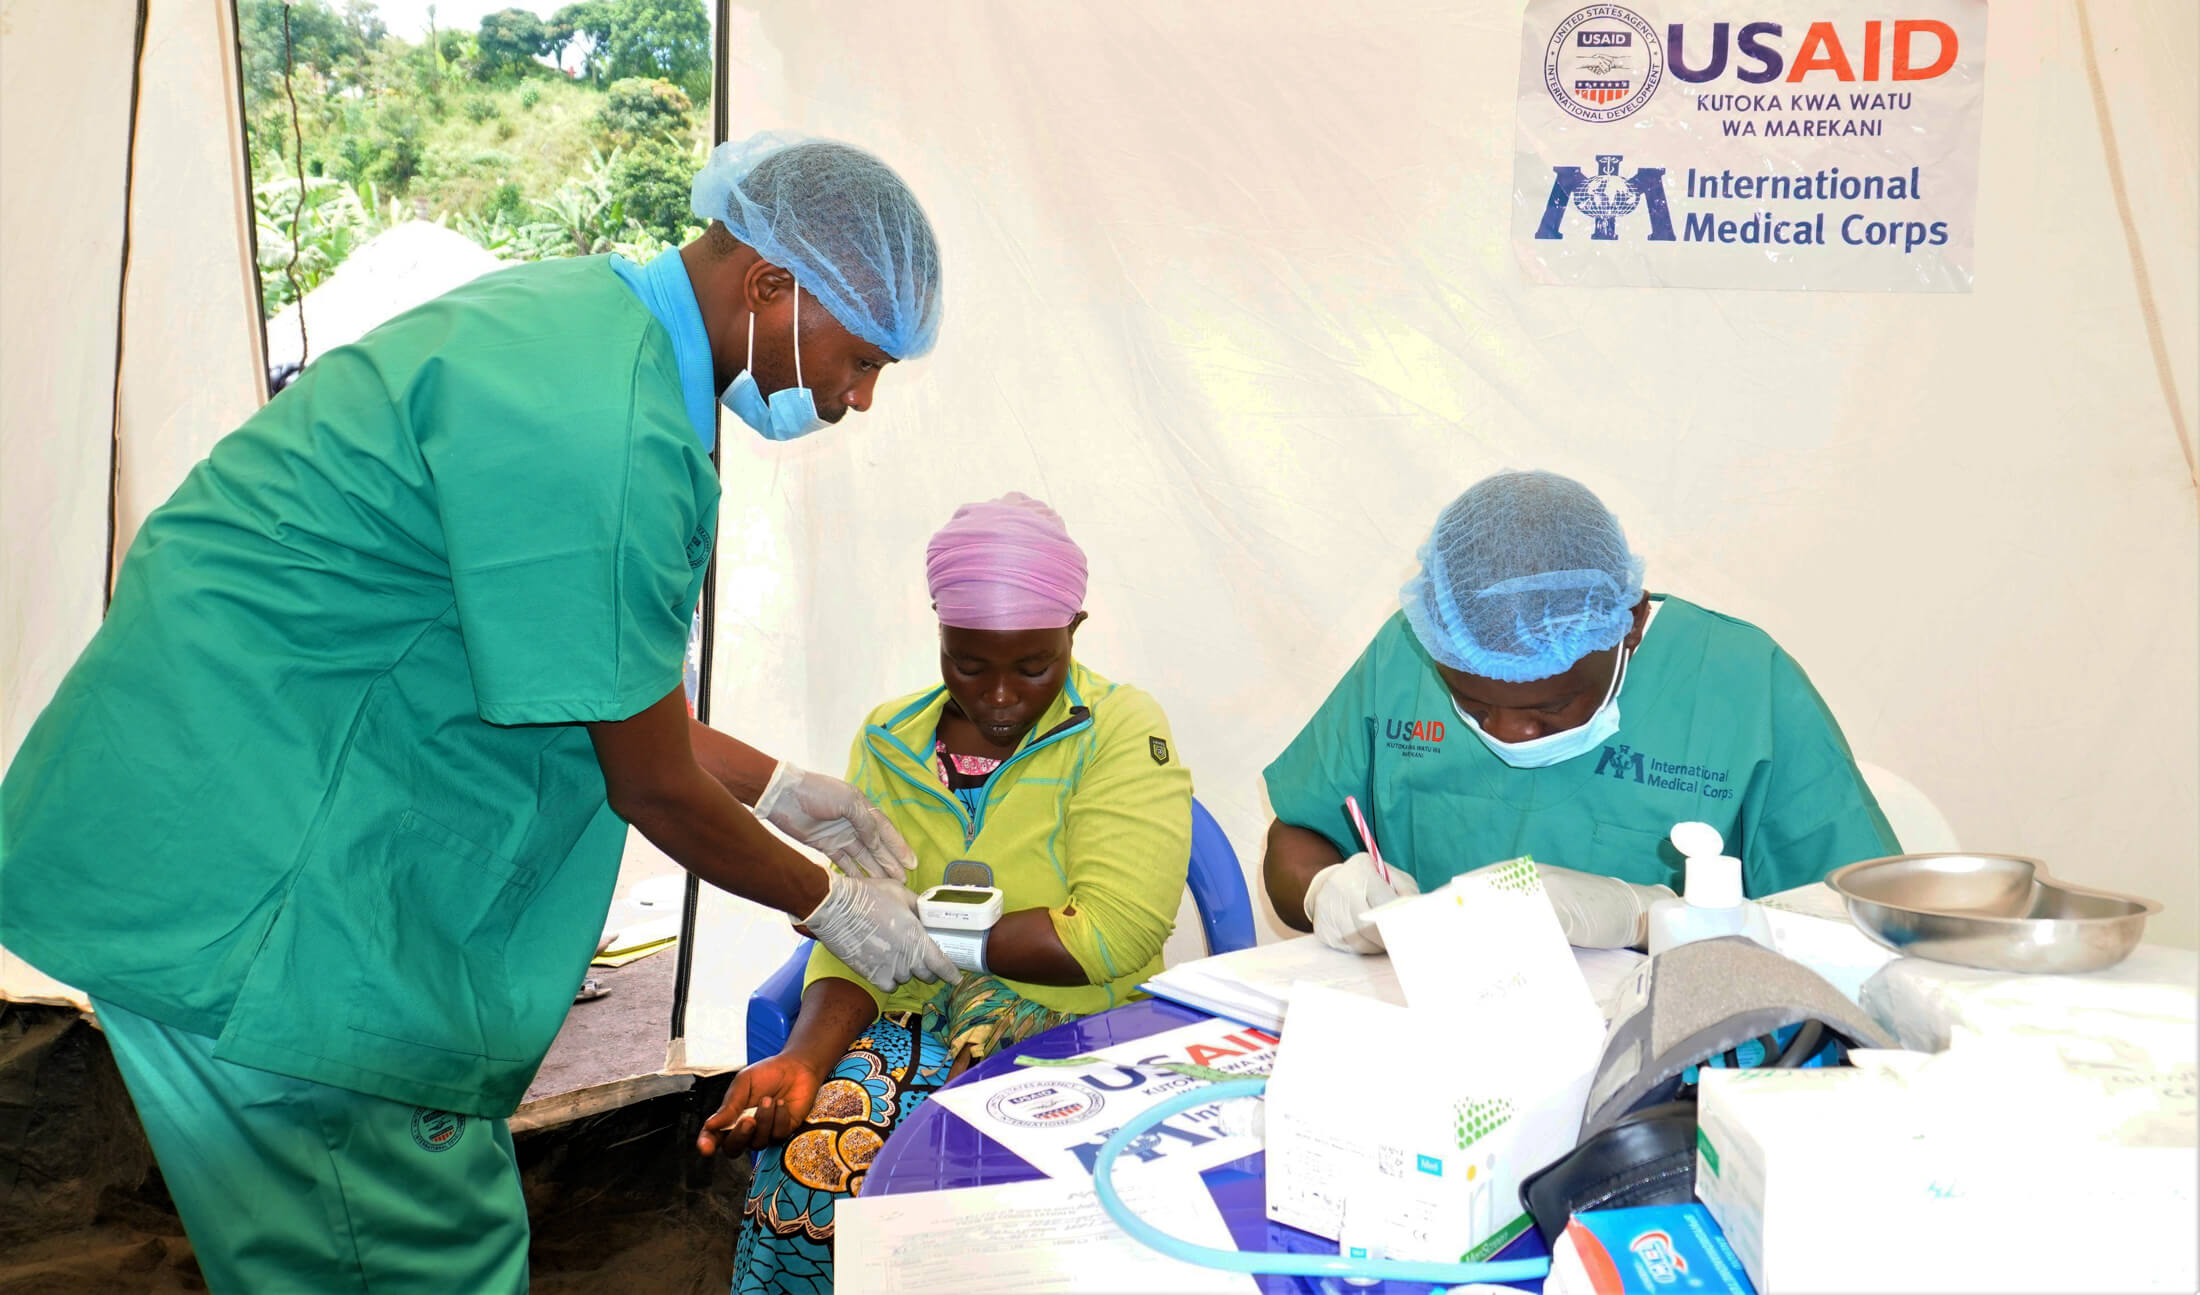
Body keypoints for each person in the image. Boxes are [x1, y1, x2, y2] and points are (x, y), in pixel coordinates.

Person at [0, 133, 952, 1294]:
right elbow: (646, 777)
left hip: (201, 834)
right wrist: (832, 903)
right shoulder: (608, 425)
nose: (855, 400)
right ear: (769, 284)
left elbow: (594, 681)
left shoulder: (577, 326)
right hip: (267, 912)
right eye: (860, 359)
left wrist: (790, 791)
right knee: (408, 1259)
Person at [698, 493, 1193, 1295]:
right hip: (915, 1026)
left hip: (1084, 1033)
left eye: (1034, 665)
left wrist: (927, 932)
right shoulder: (889, 741)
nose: (1000, 695)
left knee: (1027, 1225)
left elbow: (1110, 935)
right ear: (938, 633)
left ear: (1075, 630)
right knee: (810, 1179)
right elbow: (854, 944)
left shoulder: (1119, 728)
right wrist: (802, 1058)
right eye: (969, 663)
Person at [1262, 470, 1897, 954]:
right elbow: (1297, 833)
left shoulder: (1742, 683)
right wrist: (1326, 891)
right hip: (1440, 1026)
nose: (1508, 733)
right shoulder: (1405, 655)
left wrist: (1652, 919)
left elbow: (1859, 918)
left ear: (1628, 624)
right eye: (1474, 705)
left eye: (1550, 708)